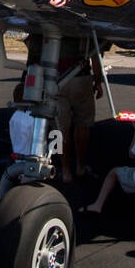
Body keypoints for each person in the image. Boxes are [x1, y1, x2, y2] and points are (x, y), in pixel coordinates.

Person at [57, 36, 105, 182]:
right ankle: (80, 166)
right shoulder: (84, 30)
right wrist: (98, 82)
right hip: (81, 78)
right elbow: (96, 58)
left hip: (56, 80)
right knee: (83, 124)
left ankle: (65, 170)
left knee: (60, 128)